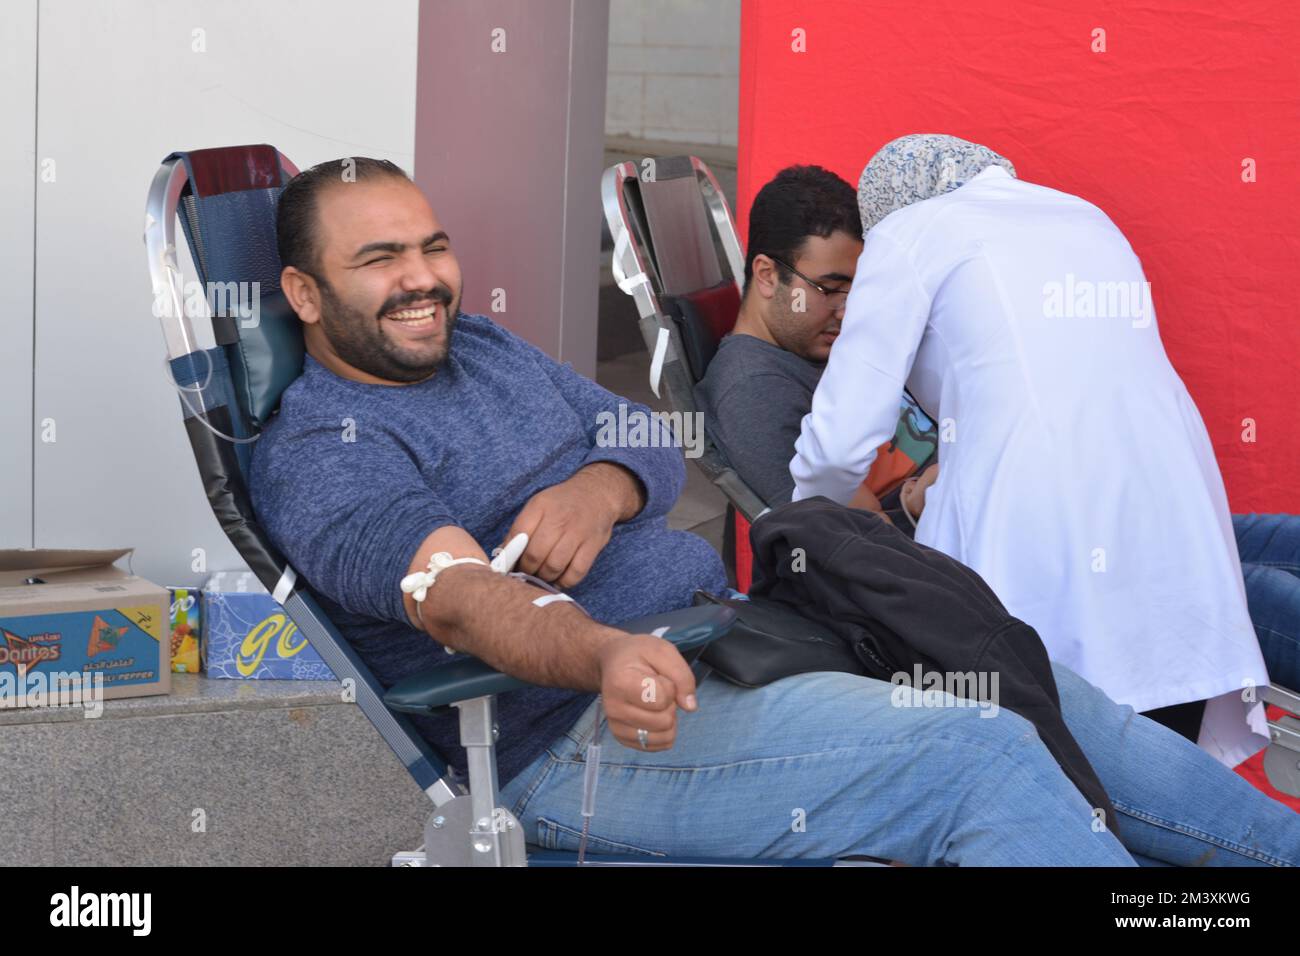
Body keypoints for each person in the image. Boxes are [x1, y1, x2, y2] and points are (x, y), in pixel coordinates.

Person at [248, 156, 1300, 865]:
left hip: (736, 640)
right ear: (303, 295)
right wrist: (603, 650)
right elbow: (460, 598)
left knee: (1038, 685)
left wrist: (598, 485)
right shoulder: (323, 449)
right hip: (583, 731)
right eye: (378, 259)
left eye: (430, 245)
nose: (422, 278)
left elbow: (658, 439)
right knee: (973, 753)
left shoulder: (479, 346)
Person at [697, 163, 1300, 743]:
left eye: (857, 289)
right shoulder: (755, 388)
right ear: (768, 275)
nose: (848, 310)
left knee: (1243, 538)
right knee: (1217, 576)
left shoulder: (817, 354)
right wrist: (913, 508)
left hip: (1020, 519)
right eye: (829, 289)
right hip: (974, 564)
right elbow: (841, 539)